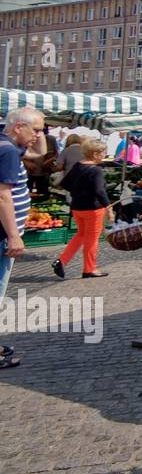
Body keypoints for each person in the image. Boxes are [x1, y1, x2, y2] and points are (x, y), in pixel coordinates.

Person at [2, 106, 45, 369]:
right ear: (18, 127)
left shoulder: (7, 144)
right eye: (36, 130)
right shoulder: (7, 150)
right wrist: (14, 235)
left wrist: (38, 128)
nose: (39, 135)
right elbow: (2, 196)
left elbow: (39, 154)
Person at [52, 138, 113, 279]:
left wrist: (79, 191)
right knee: (92, 240)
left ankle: (61, 261)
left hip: (77, 207)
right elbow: (99, 191)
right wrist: (108, 207)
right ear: (96, 154)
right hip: (93, 209)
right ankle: (89, 269)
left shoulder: (77, 165)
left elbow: (65, 183)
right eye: (104, 152)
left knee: (81, 235)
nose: (105, 155)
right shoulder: (96, 170)